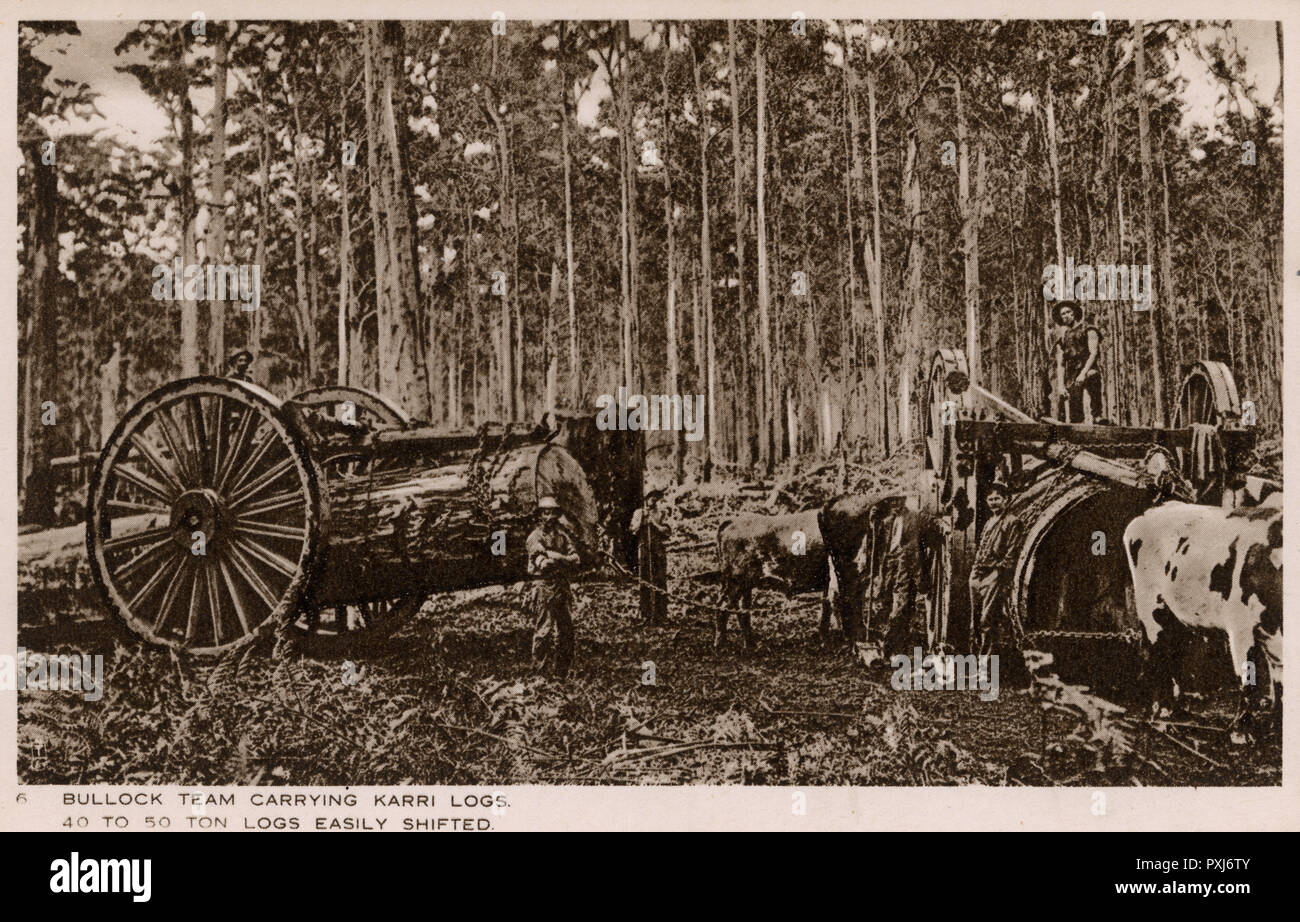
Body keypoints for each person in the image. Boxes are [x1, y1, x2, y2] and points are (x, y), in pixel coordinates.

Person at [525, 495, 583, 678]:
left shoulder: (562, 536)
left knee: (566, 630)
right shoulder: (534, 537)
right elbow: (542, 561)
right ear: (540, 515)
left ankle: (561, 673)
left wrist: (558, 558)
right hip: (543, 586)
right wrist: (559, 559)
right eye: (546, 512)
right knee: (544, 630)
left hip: (560, 586)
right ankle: (539, 673)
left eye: (552, 513)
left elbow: (576, 558)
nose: (549, 517)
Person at [969, 478, 1025, 660]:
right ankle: (977, 655)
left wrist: (997, 573)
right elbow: (982, 548)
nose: (993, 502)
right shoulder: (989, 521)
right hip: (978, 574)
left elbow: (1011, 554)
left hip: (994, 574)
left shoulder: (1012, 522)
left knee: (987, 619)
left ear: (1006, 500)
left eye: (997, 499)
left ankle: (986, 661)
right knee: (976, 618)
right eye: (990, 499)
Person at [1050, 303, 1102, 424]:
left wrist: (1083, 373)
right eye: (1063, 314)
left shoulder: (1089, 329)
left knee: (1093, 375)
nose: (1066, 316)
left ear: (1074, 313)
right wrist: (1061, 386)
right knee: (1075, 416)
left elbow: (1094, 353)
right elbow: (1061, 363)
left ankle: (1097, 415)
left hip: (1088, 368)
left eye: (1068, 312)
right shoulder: (1063, 339)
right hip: (1072, 374)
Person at [630, 486, 671, 625]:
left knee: (660, 581)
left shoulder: (662, 512)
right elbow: (633, 530)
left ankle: (661, 615)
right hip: (644, 551)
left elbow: (667, 530)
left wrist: (654, 524)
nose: (653, 499)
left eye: (656, 496)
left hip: (658, 551)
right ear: (646, 498)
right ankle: (645, 615)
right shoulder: (638, 512)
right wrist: (642, 521)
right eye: (651, 496)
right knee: (644, 581)